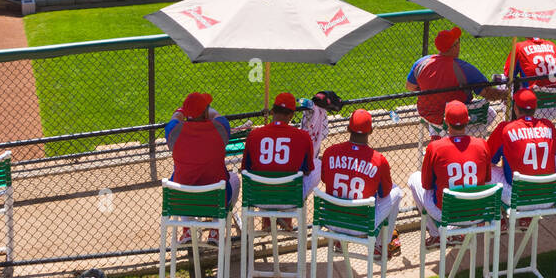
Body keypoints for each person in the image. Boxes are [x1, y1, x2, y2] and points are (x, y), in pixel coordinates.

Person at [409, 99, 495, 248]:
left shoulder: (435, 147)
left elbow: (426, 184)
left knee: (413, 179)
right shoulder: (482, 144)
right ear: (467, 121)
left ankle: (436, 234)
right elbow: (487, 179)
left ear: (445, 121)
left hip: (447, 214)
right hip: (477, 212)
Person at [319, 108, 402, 257]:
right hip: (361, 225)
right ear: (370, 131)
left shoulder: (330, 152)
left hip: (331, 221)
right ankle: (382, 245)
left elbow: (325, 180)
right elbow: (384, 193)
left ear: (348, 128)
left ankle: (340, 240)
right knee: (397, 191)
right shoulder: (378, 160)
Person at [164, 91, 238, 242]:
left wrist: (182, 111)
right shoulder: (220, 129)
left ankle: (187, 230)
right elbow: (216, 115)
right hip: (214, 201)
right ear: (205, 113)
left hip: (182, 202)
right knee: (235, 178)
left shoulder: (174, 132)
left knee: (179, 179)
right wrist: (206, 109)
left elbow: (175, 118)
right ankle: (215, 230)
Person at [243, 92, 320, 228]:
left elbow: (245, 170)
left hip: (259, 198)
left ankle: (266, 217)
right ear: (291, 115)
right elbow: (307, 171)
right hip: (290, 199)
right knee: (318, 164)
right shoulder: (303, 136)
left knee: (256, 175)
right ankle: (287, 215)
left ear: (272, 111)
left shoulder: (254, 135)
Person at [405, 27, 502, 130]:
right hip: (455, 118)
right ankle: (467, 139)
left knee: (438, 112)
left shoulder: (421, 63)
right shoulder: (464, 68)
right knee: (491, 113)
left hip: (428, 115)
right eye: (458, 42)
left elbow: (410, 87)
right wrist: (506, 93)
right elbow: (488, 93)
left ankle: (436, 134)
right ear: (455, 47)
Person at [487, 88, 556, 204]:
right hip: (549, 197)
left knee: (486, 169)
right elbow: (554, 154)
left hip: (518, 199)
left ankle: (496, 217)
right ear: (535, 109)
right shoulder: (548, 126)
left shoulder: (505, 128)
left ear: (515, 108)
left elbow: (488, 161)